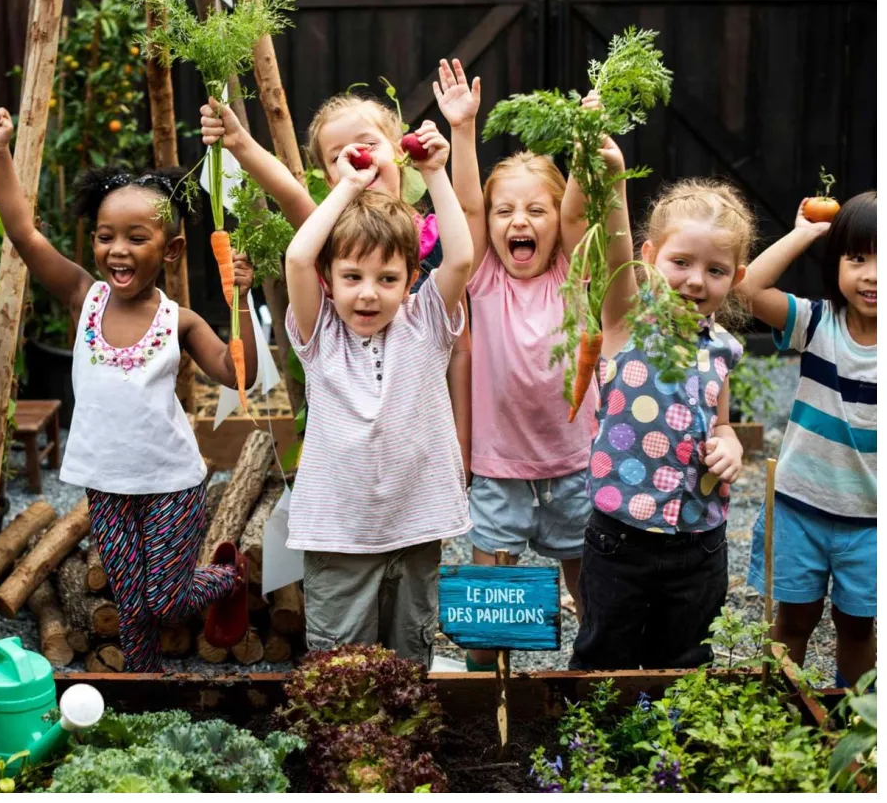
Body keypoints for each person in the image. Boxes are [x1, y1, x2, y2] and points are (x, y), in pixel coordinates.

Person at [0, 107, 257, 672]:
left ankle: (229, 578)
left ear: (170, 251)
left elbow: (238, 375)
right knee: (132, 609)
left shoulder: (181, 322)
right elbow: (23, 232)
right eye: (106, 237)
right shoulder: (86, 298)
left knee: (166, 599)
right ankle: (143, 693)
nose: (118, 250)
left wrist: (240, 299)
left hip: (172, 483)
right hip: (107, 484)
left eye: (137, 237)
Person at [199, 60, 480, 472]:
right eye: (338, 156)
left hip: (418, 445)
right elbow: (289, 192)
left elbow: (461, 351)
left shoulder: (440, 239)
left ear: (401, 153)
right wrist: (238, 141)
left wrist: (461, 442)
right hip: (348, 444)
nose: (357, 155)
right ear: (332, 178)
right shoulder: (332, 240)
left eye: (369, 143)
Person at [283, 119, 472, 668]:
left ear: (412, 278)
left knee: (408, 651)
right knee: (340, 658)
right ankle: (345, 754)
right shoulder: (320, 335)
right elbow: (298, 257)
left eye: (387, 279)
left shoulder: (426, 323)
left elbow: (460, 258)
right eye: (352, 277)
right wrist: (346, 186)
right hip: (339, 532)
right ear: (329, 280)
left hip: (417, 524)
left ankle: (399, 746)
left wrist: (435, 173)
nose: (369, 294)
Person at [569, 133, 752, 670]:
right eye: (681, 262)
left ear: (735, 279)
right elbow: (614, 239)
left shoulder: (725, 348)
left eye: (716, 271)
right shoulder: (627, 320)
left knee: (686, 657)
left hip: (700, 539)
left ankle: (671, 754)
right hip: (621, 537)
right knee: (605, 655)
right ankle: (594, 747)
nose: (696, 281)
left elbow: (720, 425)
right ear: (649, 259)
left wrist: (731, 446)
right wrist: (615, 175)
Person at [458, 103, 607, 672]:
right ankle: (485, 695)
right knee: (484, 618)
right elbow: (469, 204)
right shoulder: (484, 277)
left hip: (575, 465)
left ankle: (595, 681)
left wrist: (585, 141)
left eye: (535, 209)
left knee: (593, 593)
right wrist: (463, 130)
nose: (519, 221)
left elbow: (581, 212)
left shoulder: (575, 271)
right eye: (506, 211)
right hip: (499, 471)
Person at [741, 191, 877, 688]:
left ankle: (855, 724)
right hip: (801, 506)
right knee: (794, 619)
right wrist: (803, 233)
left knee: (858, 625)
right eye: (858, 257)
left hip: (871, 522)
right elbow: (747, 289)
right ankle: (779, 716)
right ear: (835, 260)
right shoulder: (818, 323)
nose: (871, 275)